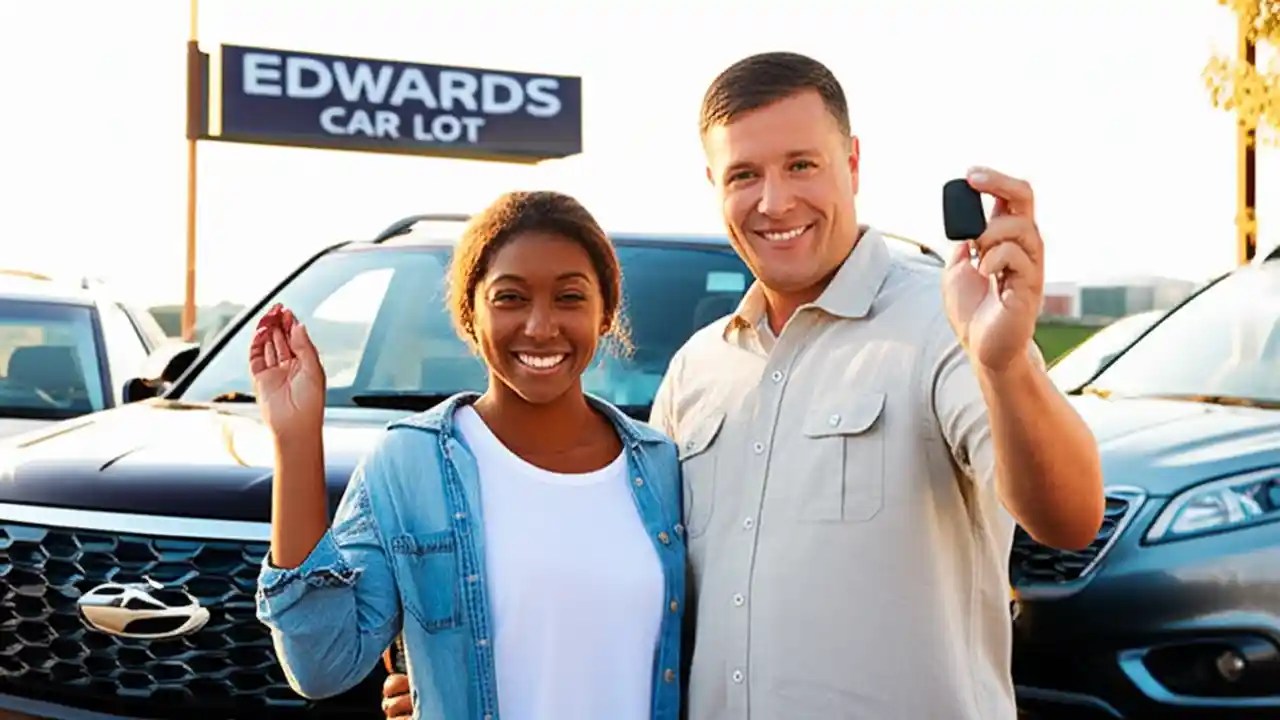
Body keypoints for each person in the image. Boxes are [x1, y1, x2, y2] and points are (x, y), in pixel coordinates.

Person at [382, 50, 1105, 720]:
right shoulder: (697, 372)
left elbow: (1068, 518)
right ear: (714, 186)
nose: (774, 201)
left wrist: (1005, 365)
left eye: (801, 165)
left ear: (852, 165)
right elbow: (622, 589)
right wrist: (459, 677)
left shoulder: (946, 324)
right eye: (744, 175)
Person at [252, 191, 687, 720]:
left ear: (605, 313)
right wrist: (296, 441)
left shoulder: (664, 466)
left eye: (570, 297)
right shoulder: (409, 464)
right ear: (469, 313)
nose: (540, 326)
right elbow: (323, 665)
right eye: (510, 298)